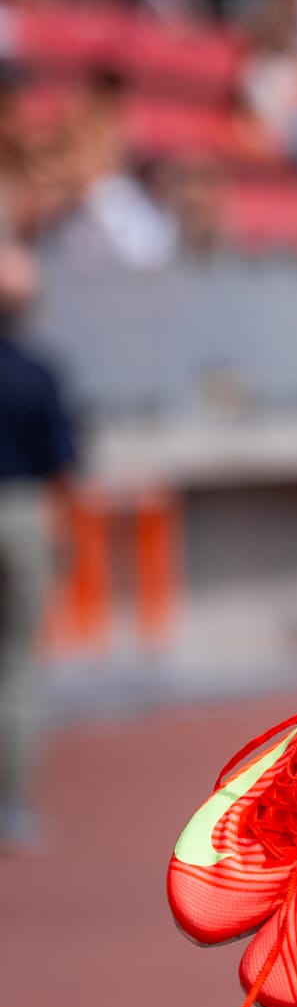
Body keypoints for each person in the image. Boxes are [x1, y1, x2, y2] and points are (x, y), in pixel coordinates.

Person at [0, 242, 76, 852]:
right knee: (19, 665)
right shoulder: (39, 371)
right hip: (24, 513)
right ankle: (13, 807)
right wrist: (64, 538)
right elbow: (63, 465)